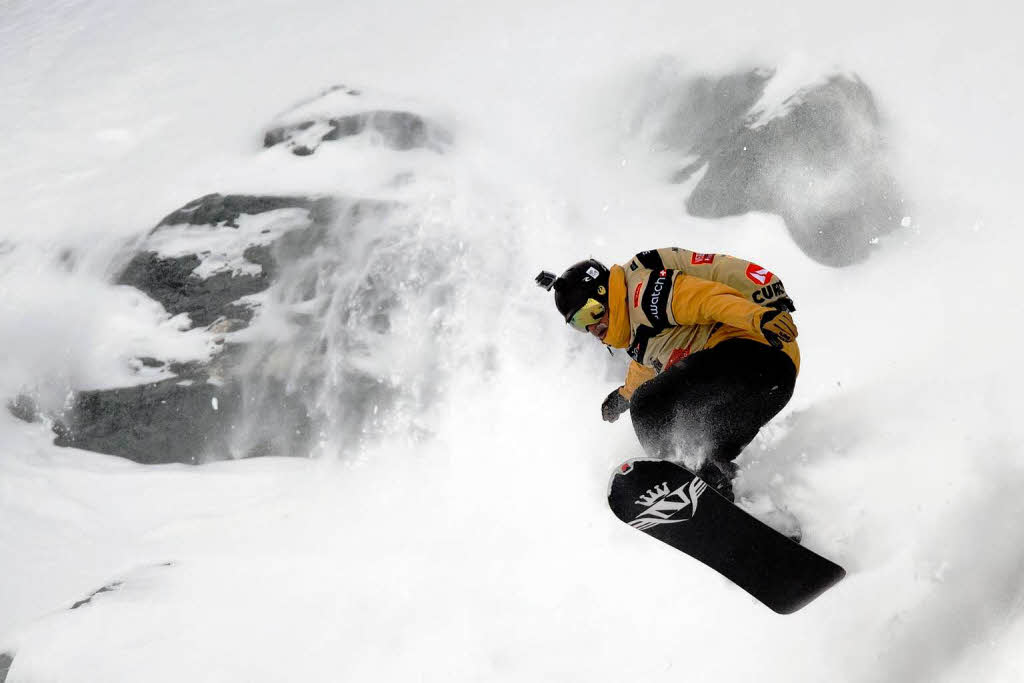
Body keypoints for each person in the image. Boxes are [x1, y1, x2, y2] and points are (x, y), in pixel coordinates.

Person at [536, 247, 799, 501]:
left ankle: (682, 482)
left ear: (604, 293)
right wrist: (622, 397)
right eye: (579, 324)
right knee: (706, 447)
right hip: (768, 386)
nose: (592, 328)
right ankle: (751, 509)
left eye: (590, 313)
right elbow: (647, 367)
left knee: (649, 406)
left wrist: (757, 318)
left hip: (755, 352)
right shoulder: (640, 334)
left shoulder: (645, 293)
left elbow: (705, 299)